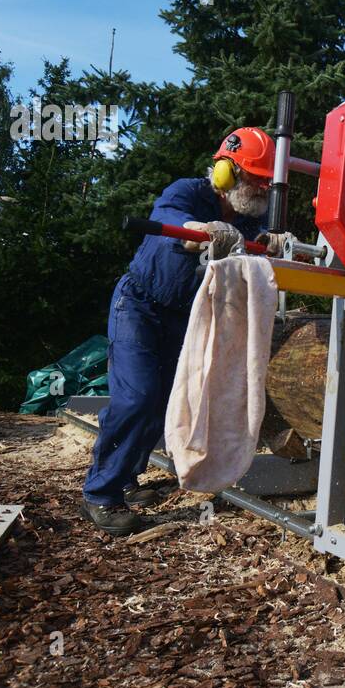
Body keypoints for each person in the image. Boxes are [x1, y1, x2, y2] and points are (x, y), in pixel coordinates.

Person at [81, 127, 287, 535]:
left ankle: (127, 476)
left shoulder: (247, 218)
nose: (261, 189)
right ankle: (100, 494)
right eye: (255, 178)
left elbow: (254, 246)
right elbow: (169, 218)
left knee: (165, 402)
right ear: (227, 173)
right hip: (139, 305)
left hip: (185, 316)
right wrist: (203, 228)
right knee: (137, 397)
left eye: (266, 182)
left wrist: (273, 243)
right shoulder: (187, 192)